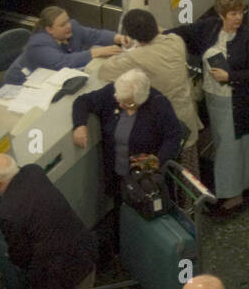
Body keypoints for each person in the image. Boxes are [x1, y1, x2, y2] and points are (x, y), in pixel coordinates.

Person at [0, 155, 97, 289]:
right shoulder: (34, 171)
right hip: (82, 258)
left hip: (49, 282)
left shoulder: (6, 213)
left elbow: (21, 257)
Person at [171, 0, 249, 214]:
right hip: (214, 99)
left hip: (235, 100)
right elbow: (183, 32)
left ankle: (233, 195)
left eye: (241, 12)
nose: (238, 18)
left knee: (230, 148)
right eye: (232, 13)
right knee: (229, 144)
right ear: (221, 15)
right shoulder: (209, 27)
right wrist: (158, 35)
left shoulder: (248, 38)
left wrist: (230, 77)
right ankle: (247, 182)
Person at [95, 7, 201, 174]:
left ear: (132, 35)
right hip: (187, 121)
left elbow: (105, 71)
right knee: (189, 177)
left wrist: (130, 49)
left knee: (166, 180)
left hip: (163, 132)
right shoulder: (176, 41)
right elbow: (163, 34)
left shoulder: (135, 58)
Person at [71, 70, 184, 207]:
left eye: (128, 104)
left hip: (145, 180)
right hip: (117, 174)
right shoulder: (114, 93)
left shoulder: (159, 105)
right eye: (119, 100)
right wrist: (80, 125)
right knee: (122, 212)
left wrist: (154, 162)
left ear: (141, 100)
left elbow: (174, 137)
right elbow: (82, 101)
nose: (121, 105)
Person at [5, 5, 120, 84]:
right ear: (49, 29)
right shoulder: (38, 45)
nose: (68, 26)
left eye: (67, 21)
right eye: (62, 24)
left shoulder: (72, 27)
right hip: (21, 83)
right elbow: (63, 62)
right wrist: (94, 53)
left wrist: (118, 38)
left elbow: (94, 35)